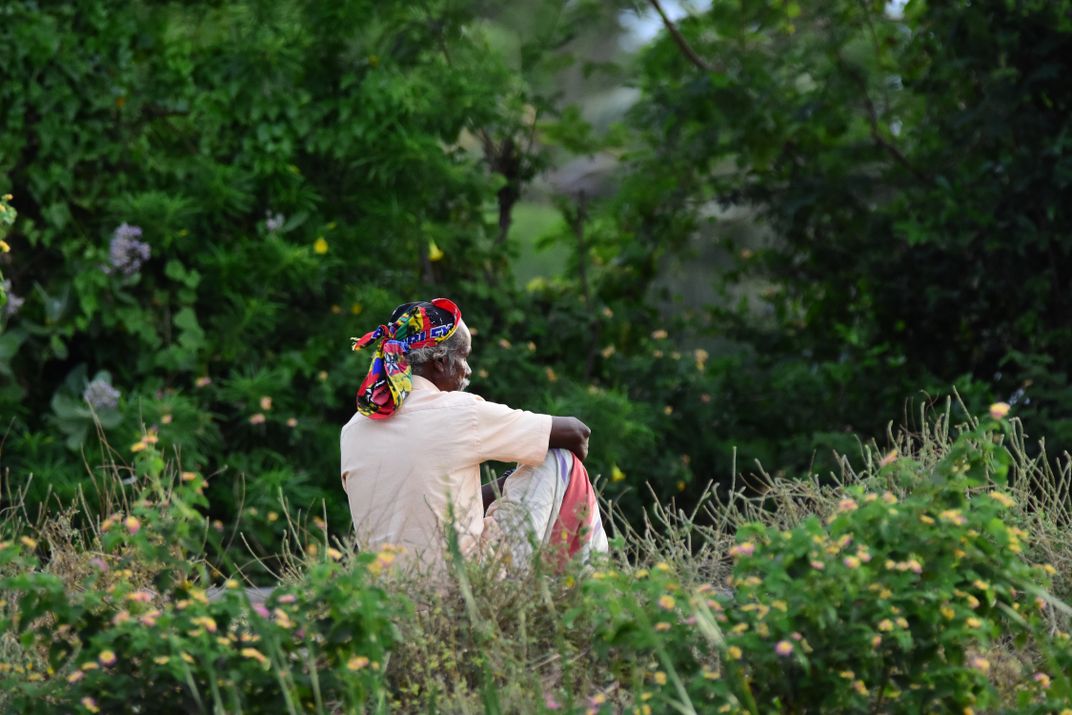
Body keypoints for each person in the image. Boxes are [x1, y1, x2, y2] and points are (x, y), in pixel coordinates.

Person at [339, 298, 608, 576]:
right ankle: (595, 588)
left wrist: (505, 485)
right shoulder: (461, 412)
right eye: (464, 358)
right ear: (441, 362)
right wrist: (522, 477)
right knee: (557, 457)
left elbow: (425, 509)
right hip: (466, 590)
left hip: (389, 600)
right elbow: (577, 432)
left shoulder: (352, 430)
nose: (467, 370)